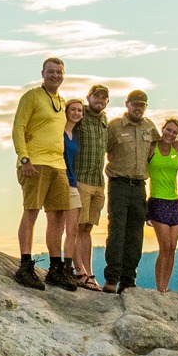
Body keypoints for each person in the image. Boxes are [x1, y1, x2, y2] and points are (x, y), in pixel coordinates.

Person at [11, 57, 78, 290]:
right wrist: (24, 158)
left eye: (59, 72)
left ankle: (55, 268)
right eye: (51, 71)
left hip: (58, 166)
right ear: (42, 73)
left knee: (58, 216)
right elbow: (18, 127)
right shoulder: (31, 97)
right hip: (35, 163)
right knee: (31, 212)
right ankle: (25, 266)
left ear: (63, 74)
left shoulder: (61, 101)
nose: (55, 75)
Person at [102, 89, 159, 291]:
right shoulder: (115, 127)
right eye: (135, 104)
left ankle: (128, 280)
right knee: (117, 231)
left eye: (142, 105)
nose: (138, 108)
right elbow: (102, 149)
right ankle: (111, 278)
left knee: (136, 234)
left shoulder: (149, 127)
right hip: (119, 184)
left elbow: (159, 147)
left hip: (139, 187)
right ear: (127, 104)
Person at [68, 84, 111, 290]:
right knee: (76, 227)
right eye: (96, 97)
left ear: (107, 102)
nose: (99, 100)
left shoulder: (104, 120)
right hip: (81, 180)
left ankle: (89, 273)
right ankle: (79, 272)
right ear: (89, 97)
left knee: (87, 228)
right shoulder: (79, 115)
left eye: (103, 98)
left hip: (98, 182)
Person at [144, 116, 178, 292]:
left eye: (175, 132)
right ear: (162, 130)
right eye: (168, 130)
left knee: (173, 248)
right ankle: (159, 287)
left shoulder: (176, 148)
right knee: (165, 246)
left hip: (175, 203)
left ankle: (165, 286)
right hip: (157, 201)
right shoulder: (151, 148)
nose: (171, 134)